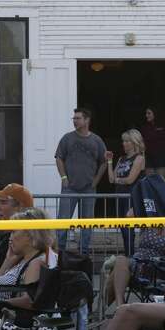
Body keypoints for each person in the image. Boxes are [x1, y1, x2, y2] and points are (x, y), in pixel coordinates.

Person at [54, 108, 107, 254]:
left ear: (87, 120)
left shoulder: (96, 140)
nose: (75, 121)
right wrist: (63, 177)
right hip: (69, 188)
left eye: (78, 118)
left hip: (89, 188)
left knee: (87, 222)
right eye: (74, 118)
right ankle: (60, 253)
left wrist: (96, 180)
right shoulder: (67, 138)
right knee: (63, 221)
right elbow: (59, 157)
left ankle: (83, 253)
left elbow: (104, 161)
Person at [106, 129, 146, 217]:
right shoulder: (121, 159)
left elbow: (130, 180)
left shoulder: (139, 158)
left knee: (128, 224)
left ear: (134, 142)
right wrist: (109, 161)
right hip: (119, 195)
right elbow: (111, 179)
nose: (124, 143)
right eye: (123, 141)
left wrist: (118, 180)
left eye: (127, 141)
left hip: (131, 197)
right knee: (121, 224)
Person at [140, 108, 165, 181]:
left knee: (161, 183)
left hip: (162, 157)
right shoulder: (145, 127)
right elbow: (141, 139)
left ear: (155, 113)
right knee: (150, 183)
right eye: (146, 113)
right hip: (149, 157)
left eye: (149, 113)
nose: (146, 115)